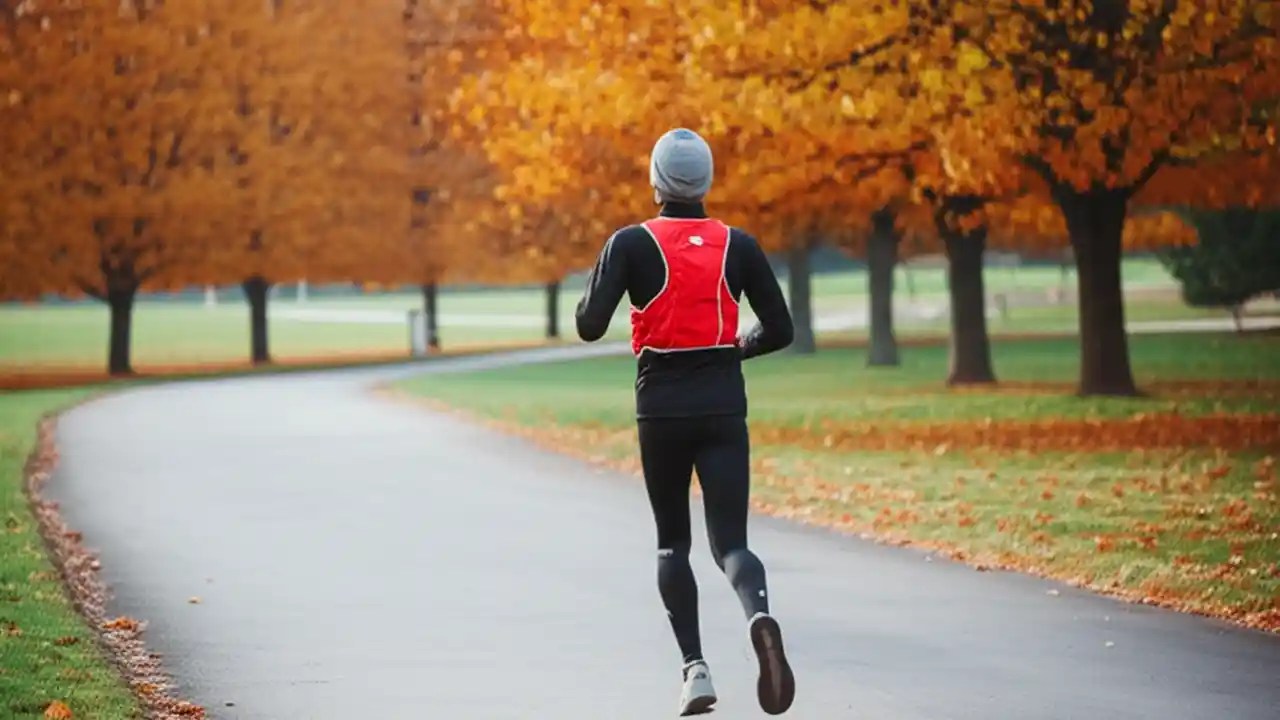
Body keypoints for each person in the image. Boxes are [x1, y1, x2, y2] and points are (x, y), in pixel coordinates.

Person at [574, 128, 797, 716]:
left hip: (661, 410)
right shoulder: (738, 245)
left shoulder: (631, 244)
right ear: (706, 181)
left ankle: (695, 669)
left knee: (673, 543)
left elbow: (589, 324)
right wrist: (732, 350)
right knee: (732, 546)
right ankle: (760, 615)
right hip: (725, 405)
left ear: (656, 182)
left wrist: (598, 281)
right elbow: (780, 328)